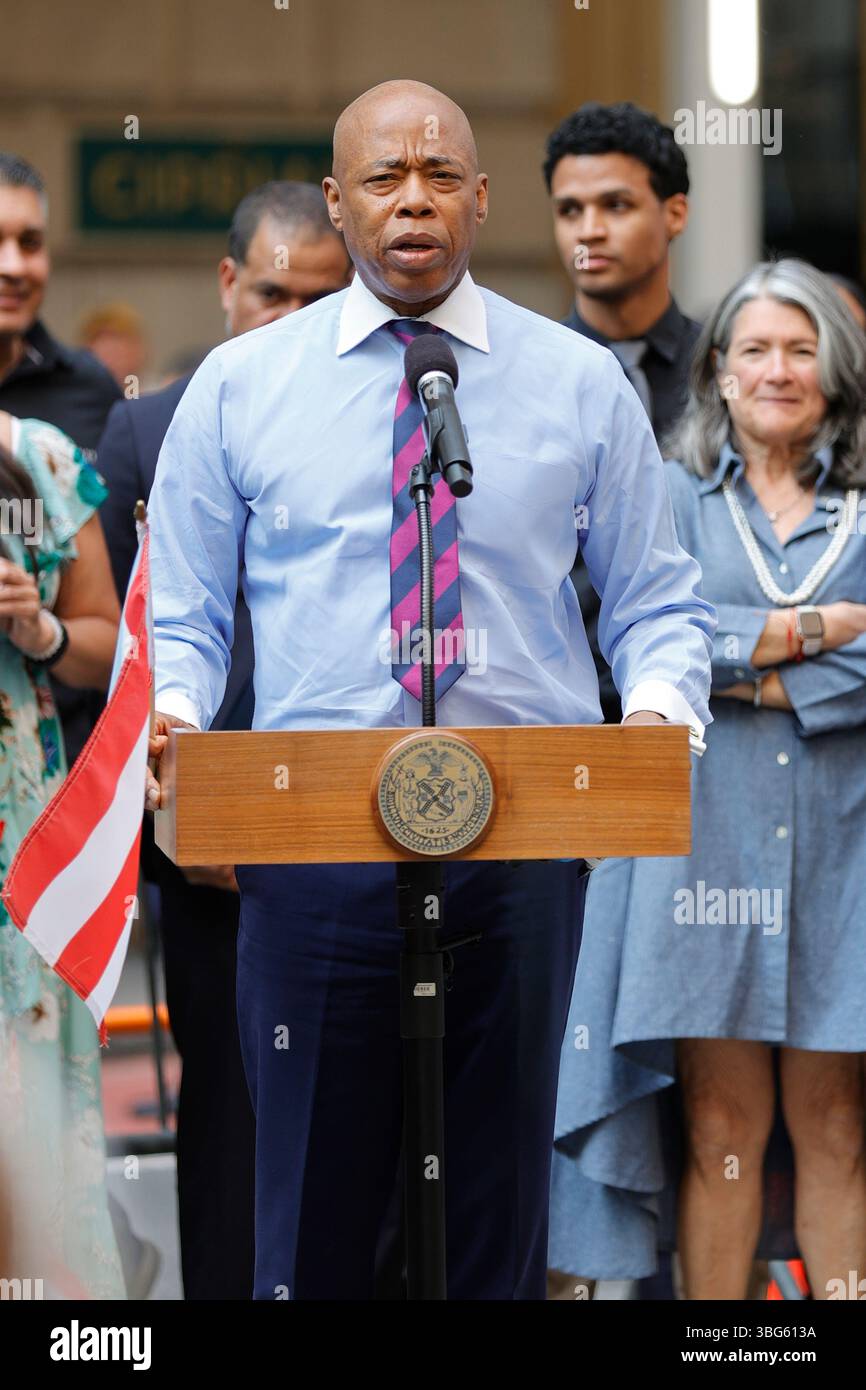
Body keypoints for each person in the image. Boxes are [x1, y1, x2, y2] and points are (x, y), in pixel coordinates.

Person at [145, 79, 715, 1302]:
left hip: (520, 852)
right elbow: (183, 613)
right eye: (386, 180)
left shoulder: (573, 385)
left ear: (480, 198)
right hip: (312, 848)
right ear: (339, 203)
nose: (414, 201)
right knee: (312, 1217)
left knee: (496, 1213)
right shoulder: (242, 387)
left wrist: (657, 713)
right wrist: (182, 723)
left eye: (440, 176)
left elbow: (657, 599)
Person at [549, 259, 866, 1300]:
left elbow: (702, 649)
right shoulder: (671, 497)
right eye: (751, 350)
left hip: (842, 850)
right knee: (721, 1125)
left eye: (798, 346)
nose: (775, 369)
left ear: (835, 364)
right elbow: (636, 634)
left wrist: (732, 668)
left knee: (832, 1124)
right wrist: (807, 634)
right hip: (700, 848)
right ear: (716, 372)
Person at [96, 180, 352, 1301]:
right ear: (226, 284)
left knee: (366, 1123)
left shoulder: (387, 416)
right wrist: (176, 802)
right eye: (271, 293)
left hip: (355, 824)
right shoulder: (151, 425)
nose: (292, 319)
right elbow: (125, 653)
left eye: (320, 297)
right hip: (209, 847)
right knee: (229, 1131)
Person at [0, 410, 123, 1298]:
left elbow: (103, 639)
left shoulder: (36, 457)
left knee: (26, 1080)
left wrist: (38, 628)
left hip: (17, 819)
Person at [544, 102, 701, 725]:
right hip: (561, 718)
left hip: (705, 713)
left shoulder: (730, 374)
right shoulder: (526, 378)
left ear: (675, 213)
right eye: (569, 210)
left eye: (616, 205)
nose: (589, 230)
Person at [0, 153, 121, 774]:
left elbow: (112, 619)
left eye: (31, 242)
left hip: (55, 761)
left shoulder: (88, 394)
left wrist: (41, 626)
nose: (12, 266)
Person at [79, 302, 150, 391]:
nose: (110, 362)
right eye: (106, 354)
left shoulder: (160, 395)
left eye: (116, 352)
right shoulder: (75, 396)